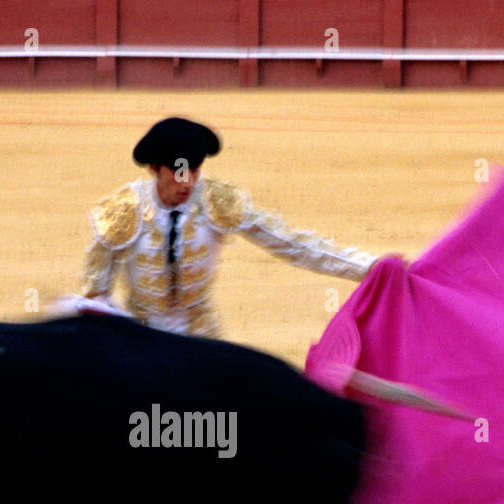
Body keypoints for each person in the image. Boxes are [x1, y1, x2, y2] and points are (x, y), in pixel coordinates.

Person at [79, 116, 381, 338]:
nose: (188, 183)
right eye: (177, 172)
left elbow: (294, 245)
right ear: (154, 169)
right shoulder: (121, 211)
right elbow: (96, 295)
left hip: (203, 339)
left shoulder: (217, 201)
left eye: (194, 171)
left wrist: (370, 268)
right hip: (140, 340)